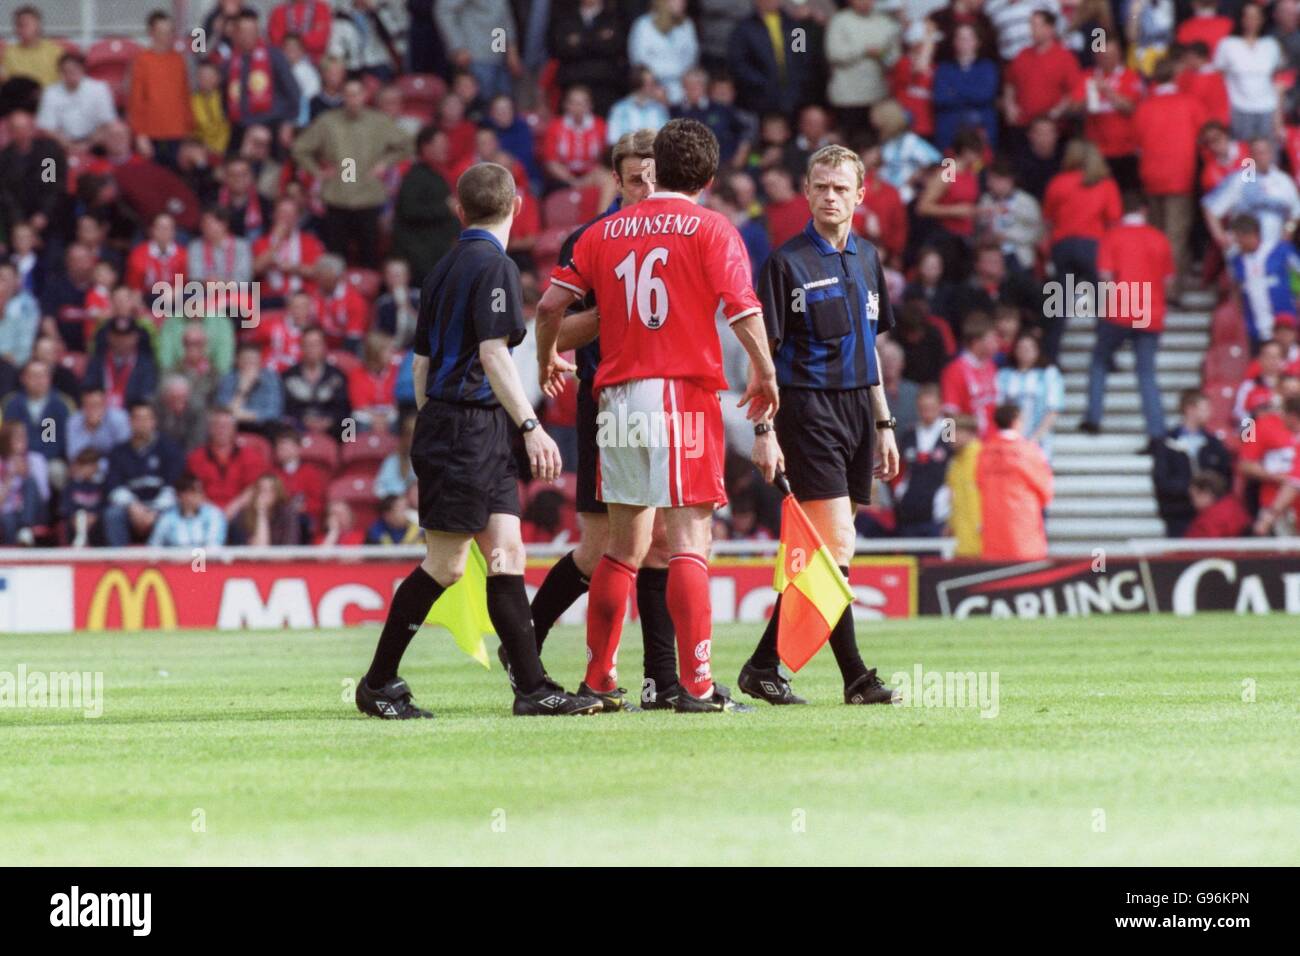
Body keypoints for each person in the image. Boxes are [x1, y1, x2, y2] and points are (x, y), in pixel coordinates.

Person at [536, 118, 779, 713]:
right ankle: (696, 686)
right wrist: (765, 371)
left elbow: (547, 307)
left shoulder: (604, 232)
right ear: (709, 177)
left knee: (621, 547)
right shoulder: (712, 228)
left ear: (656, 170)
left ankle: (598, 680)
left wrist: (546, 360)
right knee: (689, 542)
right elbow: (742, 308)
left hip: (613, 401)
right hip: (680, 395)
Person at [356, 162, 599, 720]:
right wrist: (531, 426)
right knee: (445, 565)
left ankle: (532, 687)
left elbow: (420, 365)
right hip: (467, 426)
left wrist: (436, 419)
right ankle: (377, 681)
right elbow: (494, 354)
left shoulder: (441, 269)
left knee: (508, 553)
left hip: (465, 424)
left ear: (460, 211)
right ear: (517, 206)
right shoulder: (497, 267)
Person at [521, 130, 681, 709]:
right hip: (608, 402)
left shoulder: (679, 233)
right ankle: (526, 654)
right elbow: (555, 327)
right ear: (616, 180)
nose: (646, 187)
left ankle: (661, 681)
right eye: (635, 177)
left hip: (667, 398)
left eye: (655, 176)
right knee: (601, 549)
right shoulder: (589, 239)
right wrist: (616, 310)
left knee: (660, 539)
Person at [1080, 193, 1175, 448]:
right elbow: (1168, 280)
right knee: (1146, 374)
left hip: (1120, 309)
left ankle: (1093, 418)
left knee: (1100, 360)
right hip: (1151, 312)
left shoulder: (1113, 237)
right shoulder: (1159, 238)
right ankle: (1157, 433)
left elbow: (1105, 277)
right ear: (1144, 210)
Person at [290, 77, 412, 268]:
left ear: (364, 96)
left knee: (369, 255)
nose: (352, 99)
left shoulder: (379, 121)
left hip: (368, 197)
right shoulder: (327, 122)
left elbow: (406, 146)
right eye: (347, 95)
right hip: (337, 198)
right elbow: (300, 148)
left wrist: (385, 163)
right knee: (335, 257)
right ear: (342, 97)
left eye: (356, 95)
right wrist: (317, 171)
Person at [976, 403, 1053, 560]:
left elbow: (979, 482)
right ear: (1016, 421)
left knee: (996, 573)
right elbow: (1045, 487)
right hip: (1023, 524)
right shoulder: (1028, 450)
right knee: (1025, 573)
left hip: (993, 521)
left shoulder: (985, 451)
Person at [1152, 390, 1233, 537]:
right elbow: (1161, 480)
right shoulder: (1166, 443)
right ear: (1190, 409)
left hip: (1211, 516)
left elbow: (1225, 475)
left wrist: (1210, 494)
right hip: (1178, 515)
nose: (1209, 413)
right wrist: (1191, 490)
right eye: (1205, 408)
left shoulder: (1214, 443)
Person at [102, 402, 184, 546]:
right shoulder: (118, 452)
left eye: (146, 419)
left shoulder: (169, 449)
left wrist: (154, 512)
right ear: (130, 422)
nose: (142, 423)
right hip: (130, 509)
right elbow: (113, 487)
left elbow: (173, 487)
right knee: (112, 515)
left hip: (160, 508)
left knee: (173, 516)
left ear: (154, 422)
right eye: (137, 419)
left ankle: (168, 564)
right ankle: (119, 563)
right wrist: (133, 507)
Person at [1214, 2, 1283, 143]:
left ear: (1262, 20)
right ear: (1241, 19)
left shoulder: (1270, 45)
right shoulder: (1227, 44)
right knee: (1245, 160)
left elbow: (1277, 81)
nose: (1252, 21)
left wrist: (1278, 119)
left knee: (1266, 158)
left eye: (1256, 17)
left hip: (1267, 108)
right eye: (1248, 17)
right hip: (1240, 108)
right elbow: (1218, 76)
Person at [1229, 214, 1300, 350]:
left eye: (1239, 238)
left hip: (1285, 326)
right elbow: (1236, 290)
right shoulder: (1236, 261)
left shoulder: (1280, 250)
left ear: (1251, 235)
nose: (1237, 243)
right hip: (1255, 330)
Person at [893, 385, 952, 538]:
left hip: (939, 507)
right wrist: (900, 489)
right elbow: (900, 466)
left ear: (940, 406)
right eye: (923, 408)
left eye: (931, 407)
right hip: (911, 505)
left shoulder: (948, 427)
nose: (926, 412)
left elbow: (955, 459)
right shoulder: (909, 432)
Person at [997, 331, 1064, 460]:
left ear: (1037, 350)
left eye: (1028, 348)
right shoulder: (1004, 375)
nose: (1024, 352)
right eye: (1021, 348)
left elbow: (1054, 409)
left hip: (1039, 440)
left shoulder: (1049, 374)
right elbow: (999, 408)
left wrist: (1034, 439)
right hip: (1010, 441)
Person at [34, 53, 116, 149]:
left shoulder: (99, 88)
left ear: (83, 70)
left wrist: (87, 145)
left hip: (95, 141)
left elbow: (107, 122)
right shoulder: (50, 92)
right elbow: (47, 128)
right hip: (62, 142)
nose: (71, 74)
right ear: (60, 73)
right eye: (66, 71)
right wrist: (70, 146)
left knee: (116, 129)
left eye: (75, 69)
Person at [628, 0, 699, 106]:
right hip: (651, 90)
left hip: (681, 91)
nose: (683, 3)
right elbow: (638, 62)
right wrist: (655, 88)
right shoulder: (643, 25)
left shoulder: (687, 25)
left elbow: (691, 60)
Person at [149, 473, 227, 548]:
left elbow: (214, 547)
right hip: (175, 560)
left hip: (204, 560)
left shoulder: (214, 515)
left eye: (199, 492)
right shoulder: (166, 518)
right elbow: (154, 547)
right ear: (179, 495)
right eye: (192, 492)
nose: (198, 496)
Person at [946, 413, 983, 557]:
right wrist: (950, 523)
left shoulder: (982, 457)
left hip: (979, 536)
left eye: (953, 432)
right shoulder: (955, 462)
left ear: (969, 433)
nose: (949, 438)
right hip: (960, 536)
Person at [230, 472, 301, 545]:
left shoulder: (287, 513)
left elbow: (289, 546)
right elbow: (260, 548)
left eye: (271, 490)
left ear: (278, 493)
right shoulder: (245, 515)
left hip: (280, 555)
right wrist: (261, 513)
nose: (265, 494)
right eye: (262, 489)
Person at [1185, 472, 1252, 538]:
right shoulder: (1237, 508)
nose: (1192, 502)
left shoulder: (1209, 520)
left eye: (1194, 496)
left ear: (1206, 493)